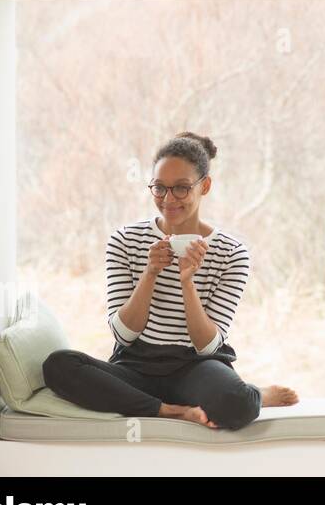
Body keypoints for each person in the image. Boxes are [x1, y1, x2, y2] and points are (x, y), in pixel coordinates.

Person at [42, 131, 298, 429]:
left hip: (196, 366)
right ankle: (170, 410)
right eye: (159, 188)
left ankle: (255, 394)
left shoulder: (232, 253)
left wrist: (187, 282)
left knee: (238, 406)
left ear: (205, 186)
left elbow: (206, 346)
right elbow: (124, 336)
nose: (168, 199)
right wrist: (150, 273)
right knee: (58, 366)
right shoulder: (125, 240)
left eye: (181, 188)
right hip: (134, 367)